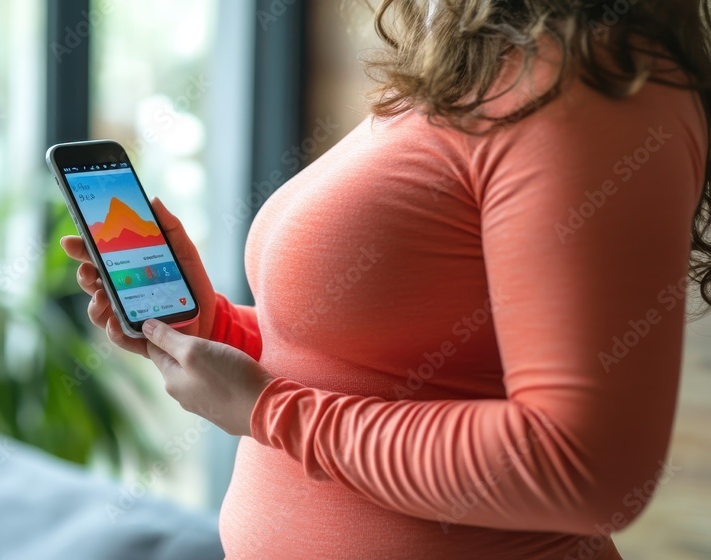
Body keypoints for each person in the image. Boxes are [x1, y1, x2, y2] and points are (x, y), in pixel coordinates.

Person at [61, 1, 711, 558]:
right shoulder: (474, 68)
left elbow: (584, 468)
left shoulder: (588, 86)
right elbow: (373, 362)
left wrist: (267, 410)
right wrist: (218, 330)